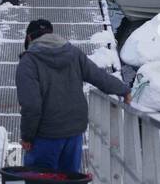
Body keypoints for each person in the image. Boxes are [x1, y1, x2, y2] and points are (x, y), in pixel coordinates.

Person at [16, 19, 129, 173]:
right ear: (51, 34)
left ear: (29, 38)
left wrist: (27, 137)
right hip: (74, 131)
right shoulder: (73, 53)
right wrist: (124, 90)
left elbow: (31, 105)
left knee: (39, 183)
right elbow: (99, 77)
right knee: (69, 182)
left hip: (46, 133)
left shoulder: (28, 62)